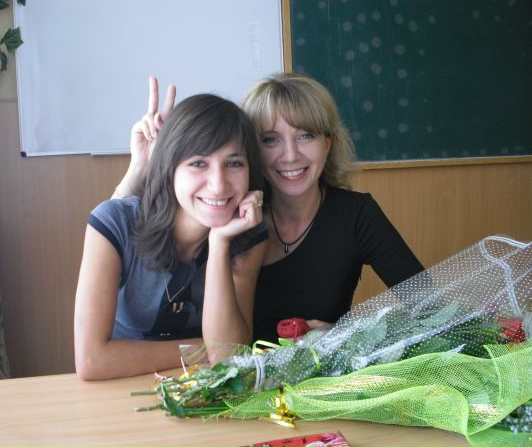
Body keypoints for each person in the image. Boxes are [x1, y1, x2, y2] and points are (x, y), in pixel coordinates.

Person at [113, 74, 423, 344]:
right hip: (234, 379)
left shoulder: (357, 215)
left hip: (320, 382)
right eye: (271, 140)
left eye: (305, 136)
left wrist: (348, 335)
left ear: (327, 143)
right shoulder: (224, 208)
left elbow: (430, 308)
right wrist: (141, 168)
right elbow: (125, 236)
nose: (290, 155)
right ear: (250, 149)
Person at [74, 92, 267, 380]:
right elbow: (92, 361)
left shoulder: (247, 232)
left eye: (234, 163)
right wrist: (205, 349)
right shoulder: (113, 223)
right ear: (170, 168)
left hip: (200, 388)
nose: (218, 185)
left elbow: (228, 357)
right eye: (198, 163)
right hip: (120, 384)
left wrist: (219, 243)